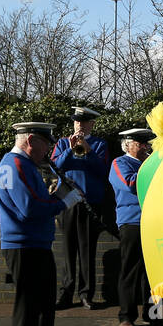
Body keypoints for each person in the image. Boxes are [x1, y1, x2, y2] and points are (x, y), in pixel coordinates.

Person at [0, 121, 83, 326]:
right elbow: (29, 209)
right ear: (31, 140)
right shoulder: (17, 165)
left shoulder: (21, 165)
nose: (49, 149)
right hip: (24, 244)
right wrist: (63, 203)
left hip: (34, 243)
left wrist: (56, 196)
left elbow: (35, 200)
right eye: (46, 143)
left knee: (43, 303)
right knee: (29, 305)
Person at [50, 106, 112, 310]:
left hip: (89, 203)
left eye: (84, 122)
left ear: (91, 124)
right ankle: (66, 294)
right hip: (67, 202)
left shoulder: (99, 144)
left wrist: (88, 149)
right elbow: (56, 168)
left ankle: (86, 294)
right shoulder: (61, 143)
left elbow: (103, 171)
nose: (80, 125)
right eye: (77, 122)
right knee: (67, 250)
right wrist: (69, 148)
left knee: (87, 251)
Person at [111, 128, 162, 326]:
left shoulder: (149, 164)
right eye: (140, 143)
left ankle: (154, 314)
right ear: (128, 145)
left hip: (154, 221)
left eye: (146, 143)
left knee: (156, 272)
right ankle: (126, 316)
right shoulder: (120, 163)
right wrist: (151, 168)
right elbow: (129, 184)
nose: (145, 147)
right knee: (130, 270)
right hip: (132, 222)